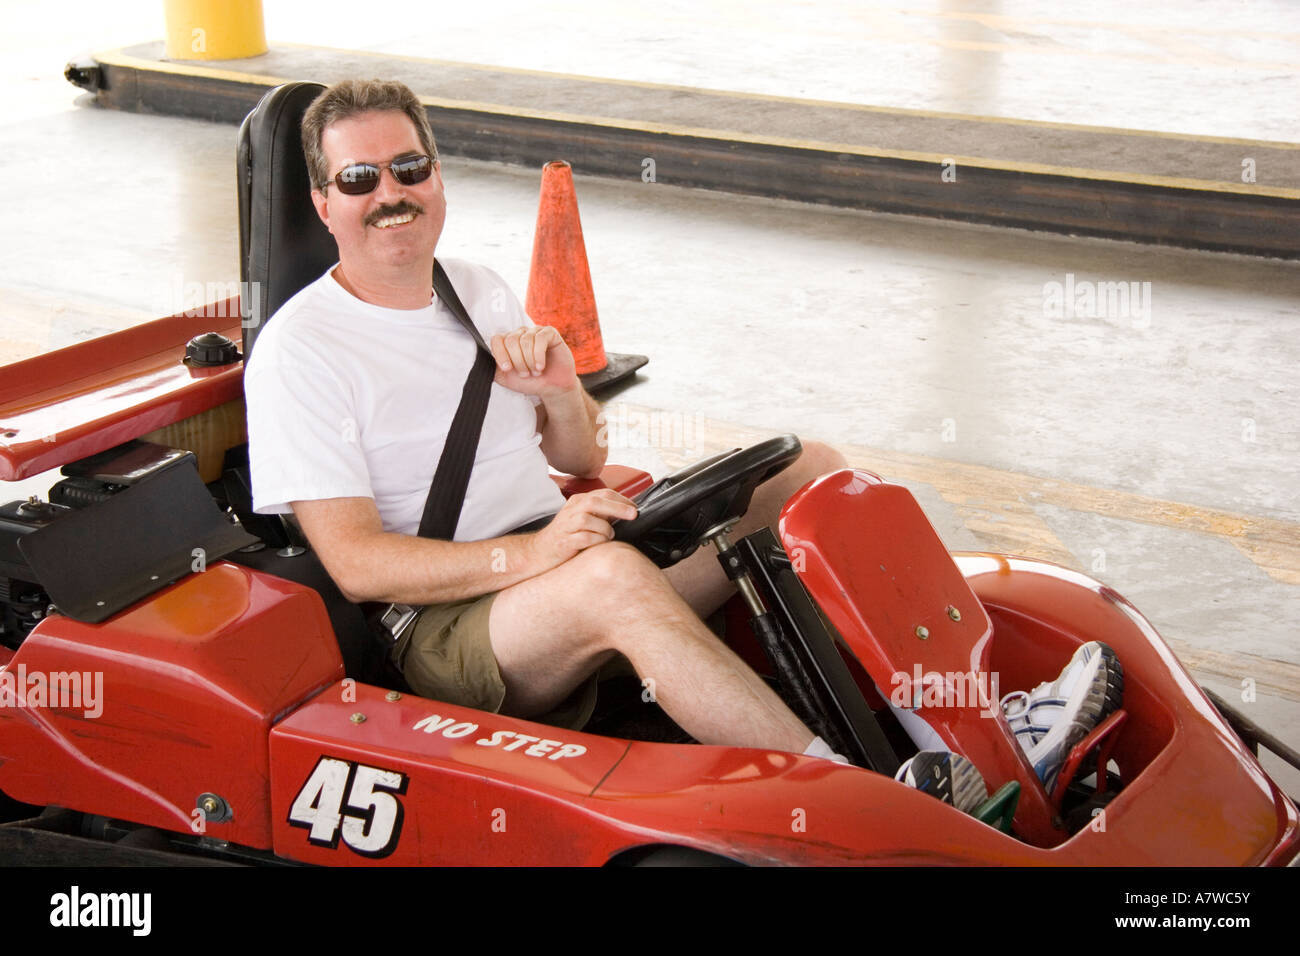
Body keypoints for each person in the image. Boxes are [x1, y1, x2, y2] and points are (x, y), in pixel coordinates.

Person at [245, 79, 1121, 814]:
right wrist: (535, 554)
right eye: (359, 177)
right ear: (324, 203)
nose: (390, 193)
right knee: (612, 579)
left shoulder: (476, 289)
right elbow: (357, 565)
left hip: (568, 560)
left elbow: (583, 459)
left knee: (813, 471)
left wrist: (561, 391)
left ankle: (981, 738)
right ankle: (854, 801)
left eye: (409, 167)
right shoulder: (302, 350)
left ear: (436, 177)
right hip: (448, 631)